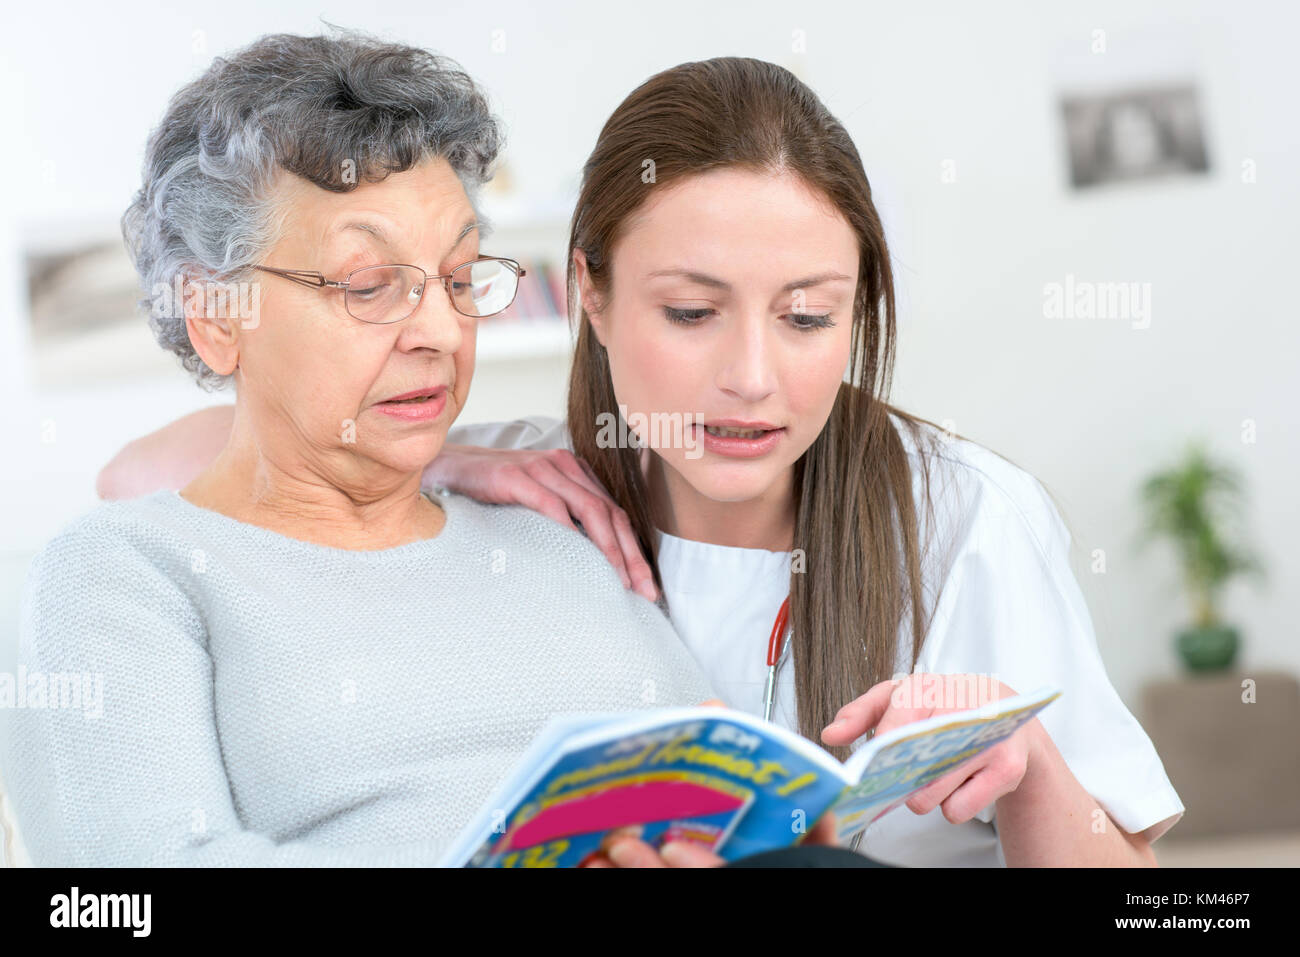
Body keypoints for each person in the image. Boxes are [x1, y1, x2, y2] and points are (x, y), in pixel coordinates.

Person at [98, 57, 1184, 867]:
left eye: (808, 318)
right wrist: (458, 456)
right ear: (592, 296)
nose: (752, 377)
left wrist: (1032, 770)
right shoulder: (536, 493)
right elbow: (148, 481)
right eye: (692, 312)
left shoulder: (963, 519)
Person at [1, 31, 720, 867]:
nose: (444, 332)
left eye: (458, 278)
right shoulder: (122, 572)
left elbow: (711, 776)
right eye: (371, 286)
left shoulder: (553, 526)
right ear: (215, 317)